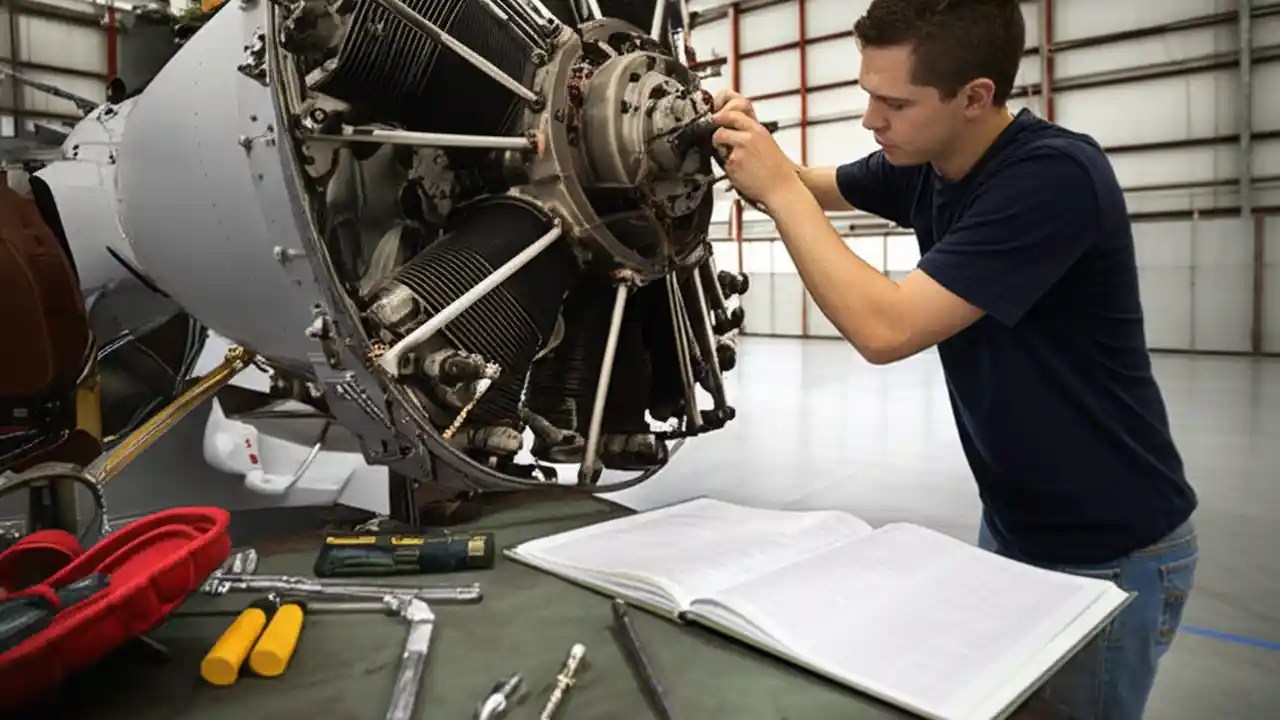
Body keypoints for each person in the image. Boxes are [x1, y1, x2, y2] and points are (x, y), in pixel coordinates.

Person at [709, 0, 1198, 718]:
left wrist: (778, 191)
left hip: (1110, 552)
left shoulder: (1051, 178)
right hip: (1013, 525)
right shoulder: (928, 161)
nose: (873, 120)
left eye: (894, 103)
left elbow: (887, 329)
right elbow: (813, 182)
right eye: (869, 95)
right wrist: (720, 140)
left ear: (976, 97)